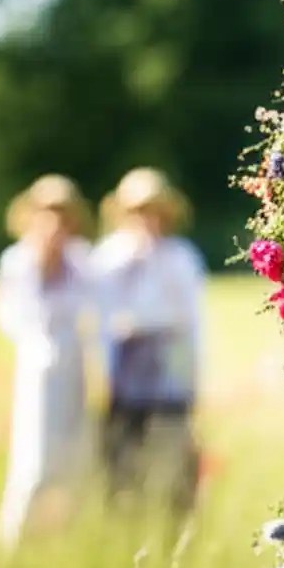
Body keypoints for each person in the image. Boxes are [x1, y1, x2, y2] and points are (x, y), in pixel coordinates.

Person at [92, 167, 206, 516]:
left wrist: (193, 378)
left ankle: (177, 528)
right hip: (123, 379)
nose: (146, 218)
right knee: (123, 467)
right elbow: (98, 320)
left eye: (153, 210)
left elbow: (192, 321)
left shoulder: (180, 256)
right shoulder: (109, 257)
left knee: (174, 463)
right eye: (138, 210)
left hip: (168, 377)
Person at [0, 174, 94, 548]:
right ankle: (14, 542)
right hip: (37, 370)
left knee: (74, 461)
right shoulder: (18, 260)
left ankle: (63, 539)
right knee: (33, 461)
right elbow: (13, 319)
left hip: (74, 366)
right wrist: (42, 261)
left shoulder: (80, 259)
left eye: (62, 214)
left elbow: (91, 309)